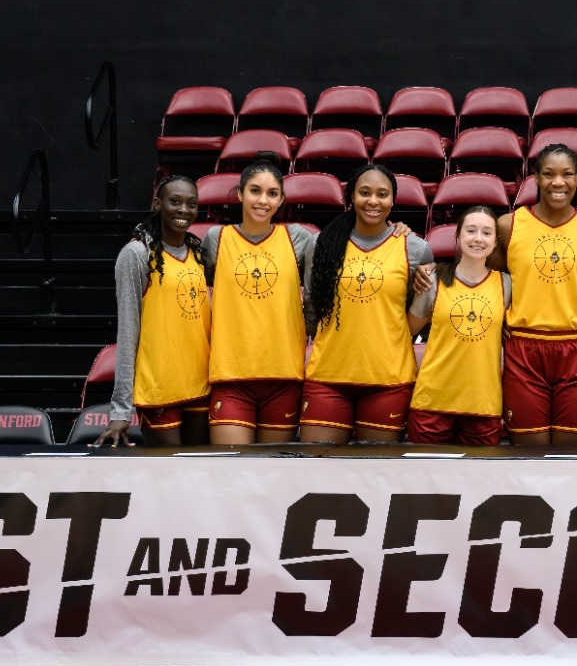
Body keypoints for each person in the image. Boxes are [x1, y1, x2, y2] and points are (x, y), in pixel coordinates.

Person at [300, 163, 435, 444]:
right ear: (351, 197)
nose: (373, 201)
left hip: (389, 379)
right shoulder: (321, 243)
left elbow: (416, 315)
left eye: (382, 194)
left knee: (377, 477)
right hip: (328, 376)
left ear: (393, 200)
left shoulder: (415, 248)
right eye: (364, 192)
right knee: (316, 472)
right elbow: (312, 306)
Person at [490, 143, 577, 446]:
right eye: (549, 174)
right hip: (524, 347)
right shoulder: (509, 225)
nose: (558, 182)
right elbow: (490, 280)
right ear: (535, 179)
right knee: (529, 454)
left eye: (567, 174)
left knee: (572, 454)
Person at [201, 152, 317, 444]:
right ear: (240, 194)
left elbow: (316, 297)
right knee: (231, 473)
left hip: (284, 375)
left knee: (275, 479)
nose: (263, 201)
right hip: (231, 376)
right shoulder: (216, 239)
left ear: (281, 200)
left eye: (272, 194)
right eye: (255, 191)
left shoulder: (298, 238)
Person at [99, 175, 211, 447]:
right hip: (159, 389)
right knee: (168, 481)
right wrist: (120, 410)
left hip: (201, 386)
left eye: (191, 203)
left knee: (202, 477)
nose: (184, 209)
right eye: (175, 201)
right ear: (158, 203)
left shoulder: (199, 253)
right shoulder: (137, 254)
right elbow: (127, 332)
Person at [407, 205, 511, 446]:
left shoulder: (507, 285)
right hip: (432, 401)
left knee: (479, 483)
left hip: (483, 403)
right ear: (458, 237)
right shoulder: (433, 279)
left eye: (487, 233)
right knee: (424, 481)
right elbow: (407, 332)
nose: (478, 238)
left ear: (496, 242)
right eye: (471, 231)